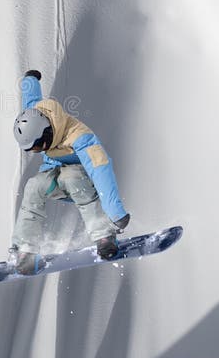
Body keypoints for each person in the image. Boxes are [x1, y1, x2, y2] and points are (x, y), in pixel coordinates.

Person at [10, 70, 130, 274]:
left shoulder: (81, 138)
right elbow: (30, 99)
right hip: (56, 174)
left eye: (38, 147)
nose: (37, 151)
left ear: (47, 133)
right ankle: (26, 251)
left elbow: (102, 171)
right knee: (33, 186)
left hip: (86, 182)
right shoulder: (35, 115)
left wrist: (116, 212)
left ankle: (104, 236)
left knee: (71, 176)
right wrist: (30, 79)